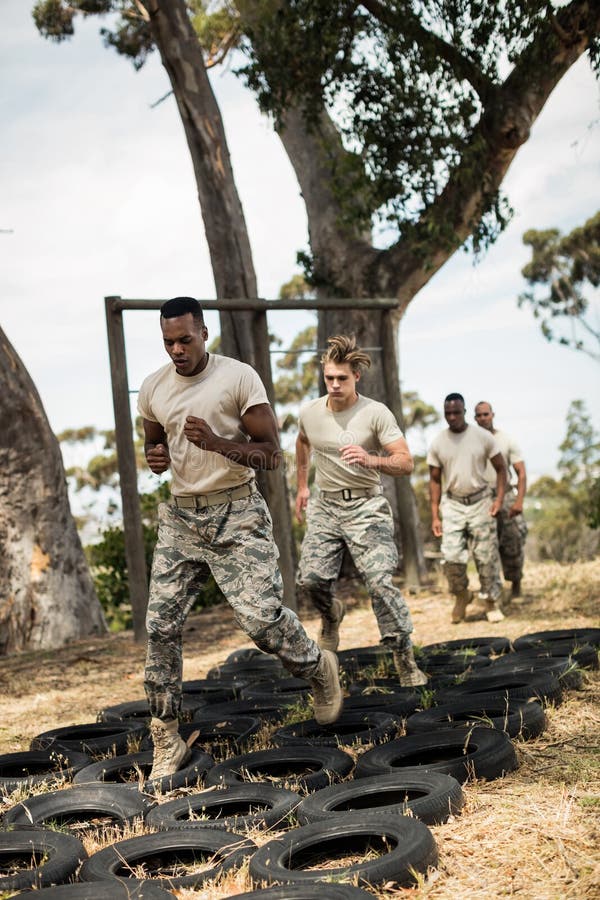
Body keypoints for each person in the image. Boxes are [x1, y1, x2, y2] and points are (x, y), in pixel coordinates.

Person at [138, 296, 343, 780]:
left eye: (185, 339)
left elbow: (271, 453)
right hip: (182, 519)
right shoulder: (152, 388)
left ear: (205, 333)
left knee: (262, 622)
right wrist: (155, 457)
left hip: (237, 511)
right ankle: (165, 736)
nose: (177, 350)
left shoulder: (238, 377)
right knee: (159, 627)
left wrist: (217, 444)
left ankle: (318, 669)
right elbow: (154, 441)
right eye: (168, 342)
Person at [295, 334, 427, 687]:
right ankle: (330, 613)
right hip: (325, 506)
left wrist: (371, 459)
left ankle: (404, 657)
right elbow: (303, 442)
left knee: (380, 582)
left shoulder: (374, 413)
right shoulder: (310, 412)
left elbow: (406, 462)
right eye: (329, 378)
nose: (335, 385)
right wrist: (303, 486)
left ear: (356, 376)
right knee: (311, 578)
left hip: (366, 505)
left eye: (342, 378)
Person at [427, 393, 507, 624]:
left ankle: (491, 602)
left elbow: (501, 468)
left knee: (485, 556)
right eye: (448, 413)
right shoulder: (438, 442)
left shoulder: (482, 437)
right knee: (451, 557)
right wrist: (435, 515)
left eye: (456, 412)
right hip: (452, 505)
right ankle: (462, 596)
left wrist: (499, 500)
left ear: (464, 412)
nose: (452, 417)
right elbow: (434, 480)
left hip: (481, 502)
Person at [474, 401, 528, 599]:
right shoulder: (470, 440)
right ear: (474, 418)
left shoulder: (506, 440)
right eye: (479, 415)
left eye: (486, 414)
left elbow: (520, 473)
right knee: (485, 548)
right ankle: (491, 591)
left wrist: (519, 502)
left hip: (504, 496)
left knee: (512, 542)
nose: (483, 418)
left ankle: (516, 584)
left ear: (492, 415)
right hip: (481, 499)